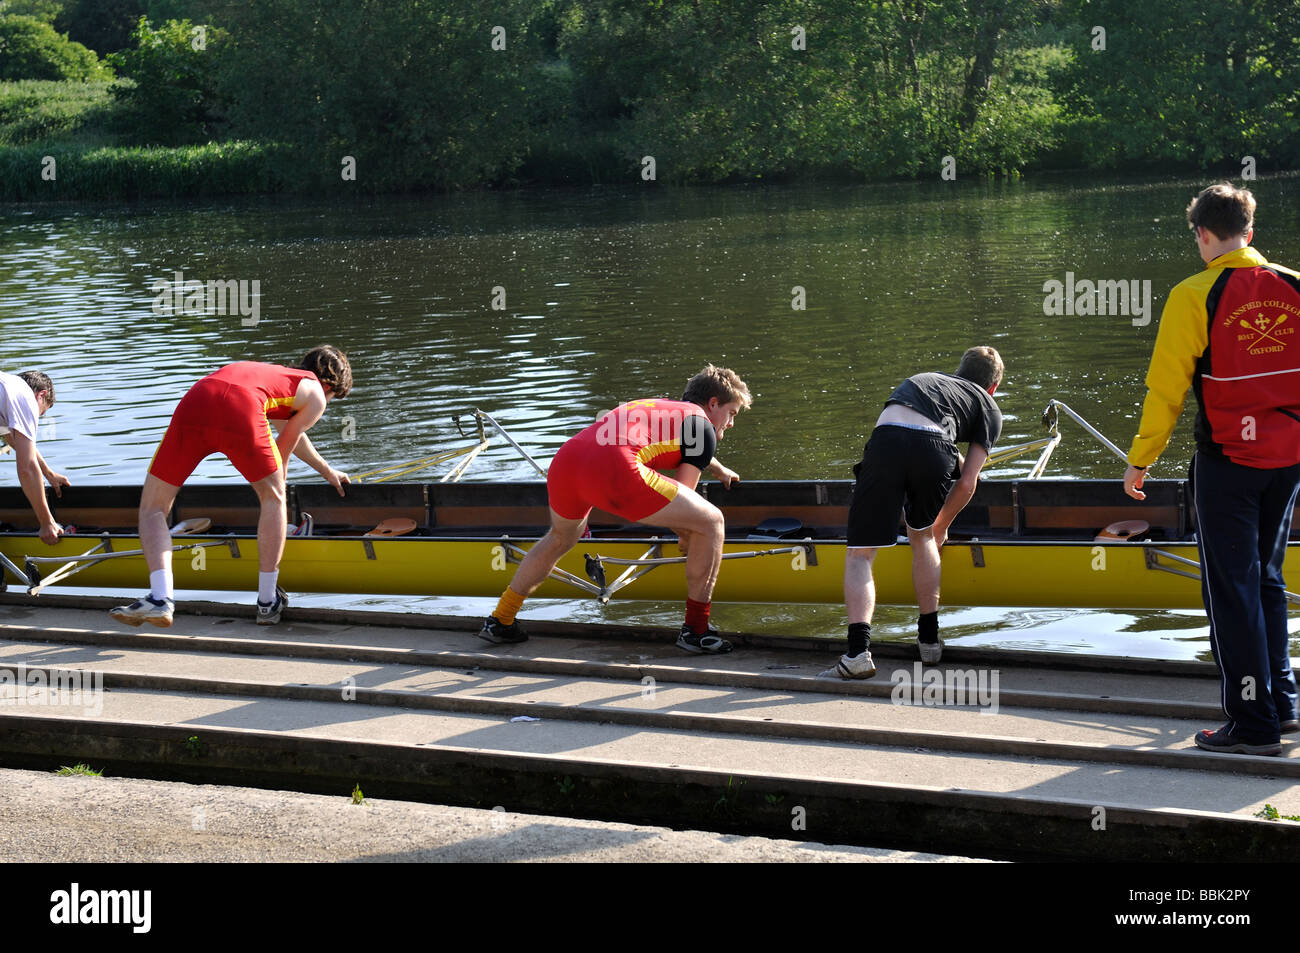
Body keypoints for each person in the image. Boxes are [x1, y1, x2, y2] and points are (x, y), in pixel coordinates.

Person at [1123, 183, 1300, 757]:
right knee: (1266, 577)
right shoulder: (1294, 285)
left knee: (1231, 588)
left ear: (1202, 234)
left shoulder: (1193, 294)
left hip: (1227, 463)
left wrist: (1142, 457)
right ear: (1250, 231)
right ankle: (1283, 703)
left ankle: (1253, 725)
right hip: (1289, 460)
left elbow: (1167, 388)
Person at [479, 364, 750, 654]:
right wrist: (687, 537)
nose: (731, 423)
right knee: (711, 522)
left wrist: (718, 469)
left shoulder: (658, 408)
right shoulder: (703, 427)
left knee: (560, 537)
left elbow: (674, 445)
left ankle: (500, 619)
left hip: (568, 461)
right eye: (732, 413)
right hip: (614, 469)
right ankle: (696, 631)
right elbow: (685, 495)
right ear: (712, 404)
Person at [110, 346, 352, 629]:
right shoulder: (315, 394)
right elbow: (283, 449)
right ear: (328, 385)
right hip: (240, 406)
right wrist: (277, 495)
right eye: (333, 398)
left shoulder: (274, 378)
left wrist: (326, 470)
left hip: (198, 399)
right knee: (273, 498)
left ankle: (160, 598)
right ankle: (267, 601)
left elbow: (292, 435)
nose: (328, 403)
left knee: (152, 508)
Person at [828, 346, 1003, 679]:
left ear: (958, 372)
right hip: (933, 450)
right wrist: (942, 526)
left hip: (888, 439)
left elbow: (918, 429)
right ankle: (929, 643)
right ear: (993, 387)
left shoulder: (927, 381)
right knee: (922, 536)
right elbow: (967, 484)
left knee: (860, 555)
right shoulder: (989, 407)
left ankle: (857, 654)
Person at [0, 370, 70, 545]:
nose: (38, 418)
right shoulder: (26, 397)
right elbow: (27, 468)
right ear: (41, 395)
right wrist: (47, 523)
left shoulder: (8, 391)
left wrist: (48, 472)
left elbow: (13, 441)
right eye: (42, 413)